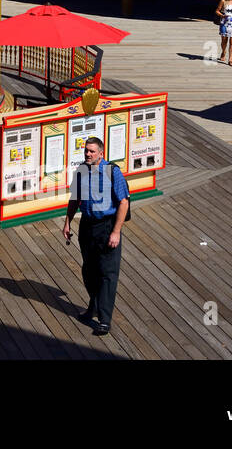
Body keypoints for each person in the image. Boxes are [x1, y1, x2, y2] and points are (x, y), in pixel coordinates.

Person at [62, 137, 130, 337]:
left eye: (92, 151)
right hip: (87, 225)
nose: (88, 154)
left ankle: (104, 320)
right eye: (86, 151)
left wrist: (116, 232)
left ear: (101, 153)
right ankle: (94, 306)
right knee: (89, 271)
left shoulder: (112, 172)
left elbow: (124, 203)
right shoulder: (81, 171)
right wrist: (67, 222)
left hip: (107, 226)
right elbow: (74, 198)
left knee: (107, 273)